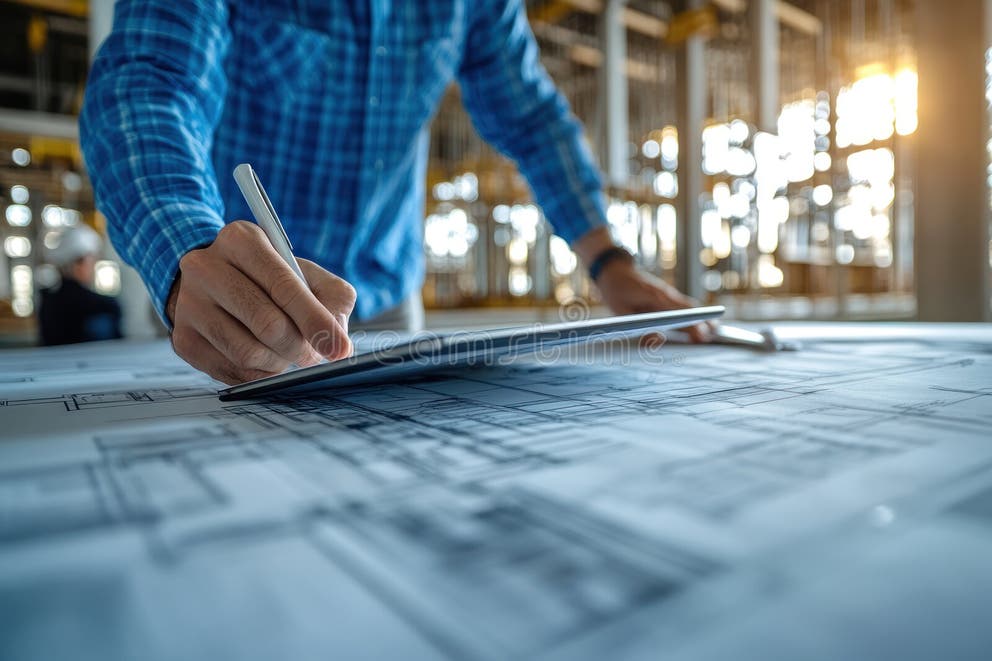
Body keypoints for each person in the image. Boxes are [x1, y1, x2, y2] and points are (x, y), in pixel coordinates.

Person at [80, 0, 708, 385]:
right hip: (230, 297)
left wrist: (609, 264)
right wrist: (186, 248)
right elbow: (151, 82)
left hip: (386, 302)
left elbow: (532, 118)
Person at [38, 224, 123, 346]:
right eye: (91, 261)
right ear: (77, 264)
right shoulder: (103, 305)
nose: (93, 267)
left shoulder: (48, 302)